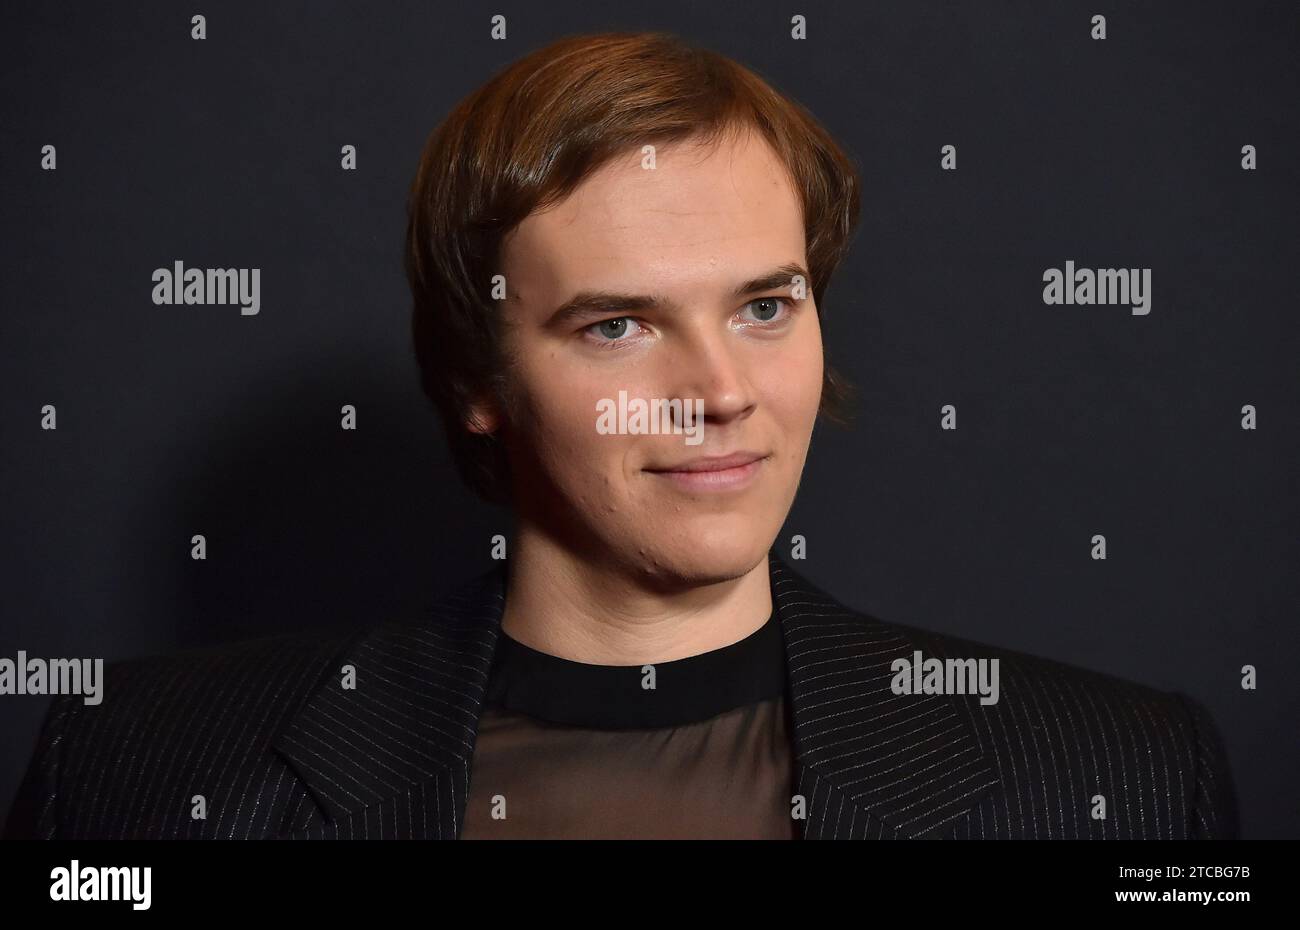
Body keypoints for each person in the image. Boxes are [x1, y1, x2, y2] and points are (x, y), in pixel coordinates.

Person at [4, 31, 1237, 840]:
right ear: (477, 379)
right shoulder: (136, 776)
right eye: (615, 327)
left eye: (764, 306)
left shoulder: (1119, 783)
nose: (720, 390)